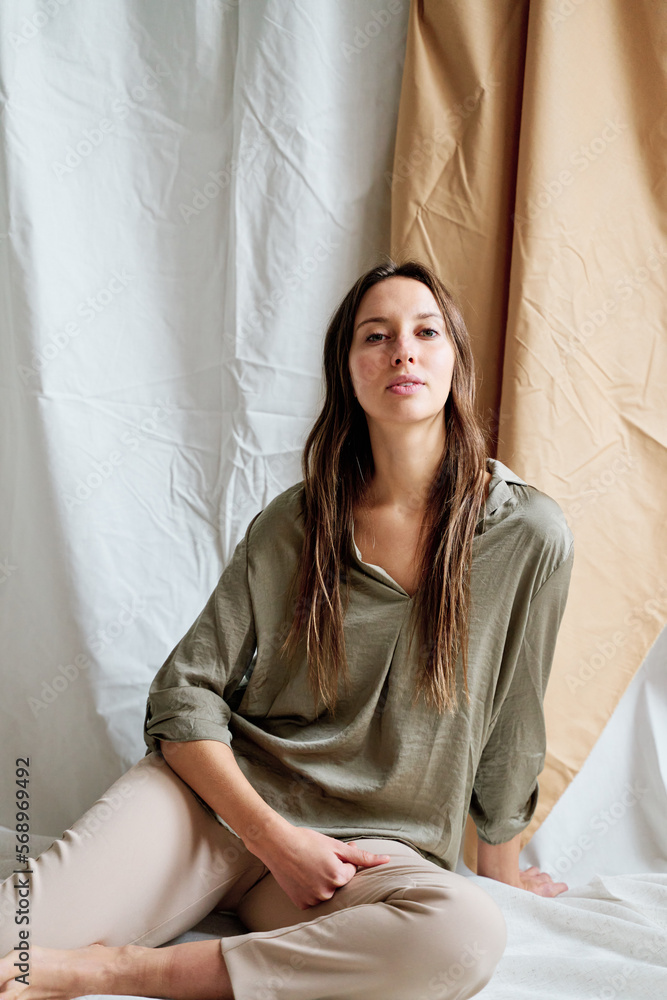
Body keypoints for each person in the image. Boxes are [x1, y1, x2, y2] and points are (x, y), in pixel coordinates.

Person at [0, 258, 574, 1000]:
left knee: (463, 933)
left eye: (425, 332)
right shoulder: (294, 525)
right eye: (376, 335)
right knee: (13, 939)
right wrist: (273, 838)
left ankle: (121, 970)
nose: (403, 349)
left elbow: (513, 720)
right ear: (347, 369)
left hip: (364, 855)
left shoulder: (527, 533)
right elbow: (184, 698)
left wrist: (501, 875)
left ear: (455, 360)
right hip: (217, 810)